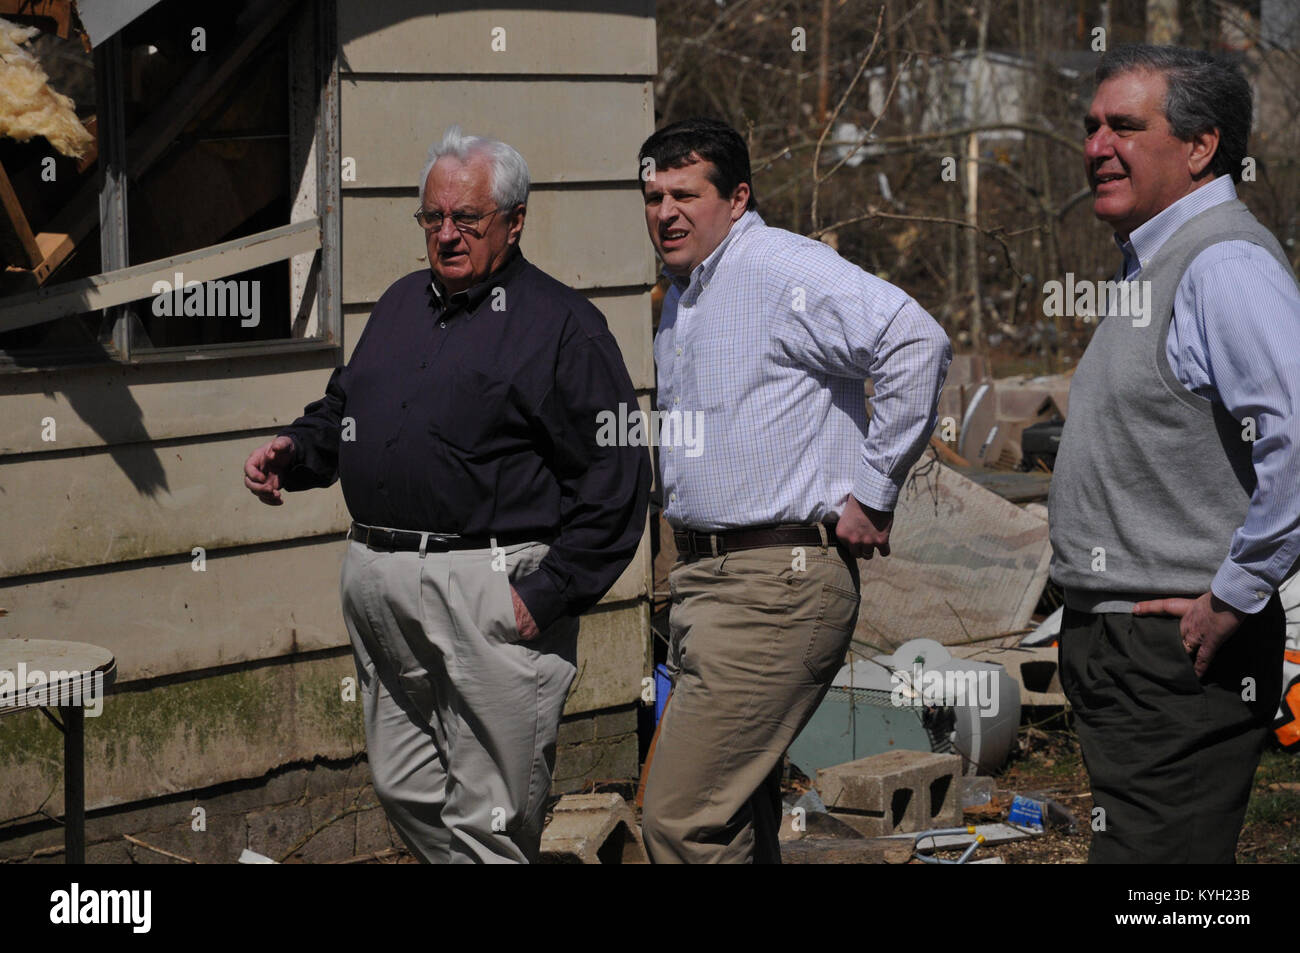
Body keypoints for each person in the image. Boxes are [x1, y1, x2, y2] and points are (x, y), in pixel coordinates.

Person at [242, 126, 651, 863]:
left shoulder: (562, 327)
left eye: (468, 218)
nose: (447, 234)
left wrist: (551, 591)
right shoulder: (400, 304)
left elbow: (616, 473)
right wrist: (298, 451)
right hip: (380, 585)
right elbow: (346, 409)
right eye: (433, 218)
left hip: (491, 586)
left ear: (514, 221)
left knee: (489, 813)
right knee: (405, 789)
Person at [636, 118, 951, 863]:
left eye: (686, 193)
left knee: (682, 820)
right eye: (652, 195)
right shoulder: (686, 294)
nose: (665, 211)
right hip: (711, 583)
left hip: (775, 584)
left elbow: (916, 342)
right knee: (737, 812)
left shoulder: (778, 269)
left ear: (738, 196)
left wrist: (873, 493)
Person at [1049, 45, 1300, 863]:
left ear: (1200, 147)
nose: (1096, 146)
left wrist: (1234, 592)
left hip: (1180, 654)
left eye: (1125, 125)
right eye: (1091, 126)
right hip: (1129, 651)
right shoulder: (1153, 265)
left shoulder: (1223, 264)